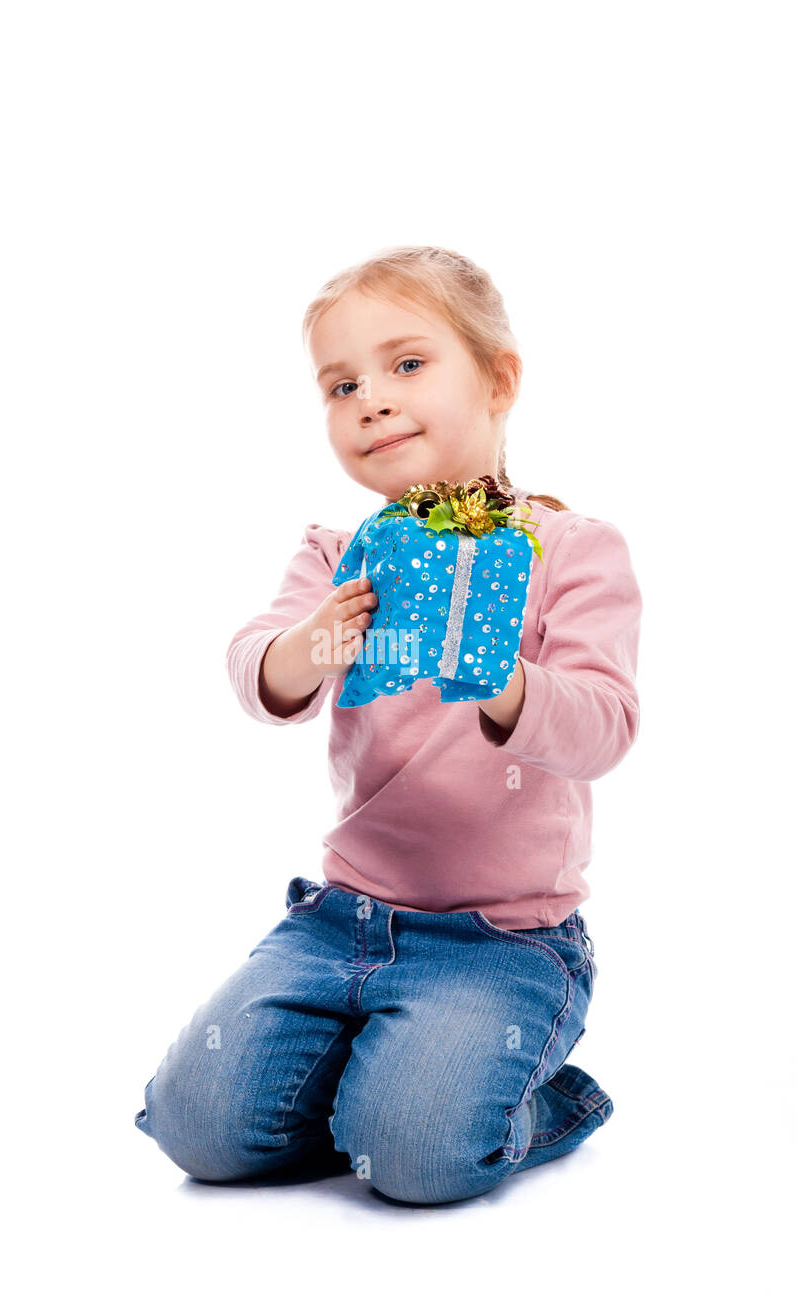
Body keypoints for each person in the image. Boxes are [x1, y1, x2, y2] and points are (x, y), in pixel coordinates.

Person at [134, 245, 643, 1205]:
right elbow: (256, 665)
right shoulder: (341, 553)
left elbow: (607, 726)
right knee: (199, 1128)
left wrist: (500, 681)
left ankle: (538, 1098)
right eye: (341, 384)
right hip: (340, 920)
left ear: (499, 380)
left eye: (407, 365)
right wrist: (311, 644)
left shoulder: (571, 551)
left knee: (416, 1162)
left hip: (503, 939)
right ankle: (381, 1079)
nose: (369, 398)